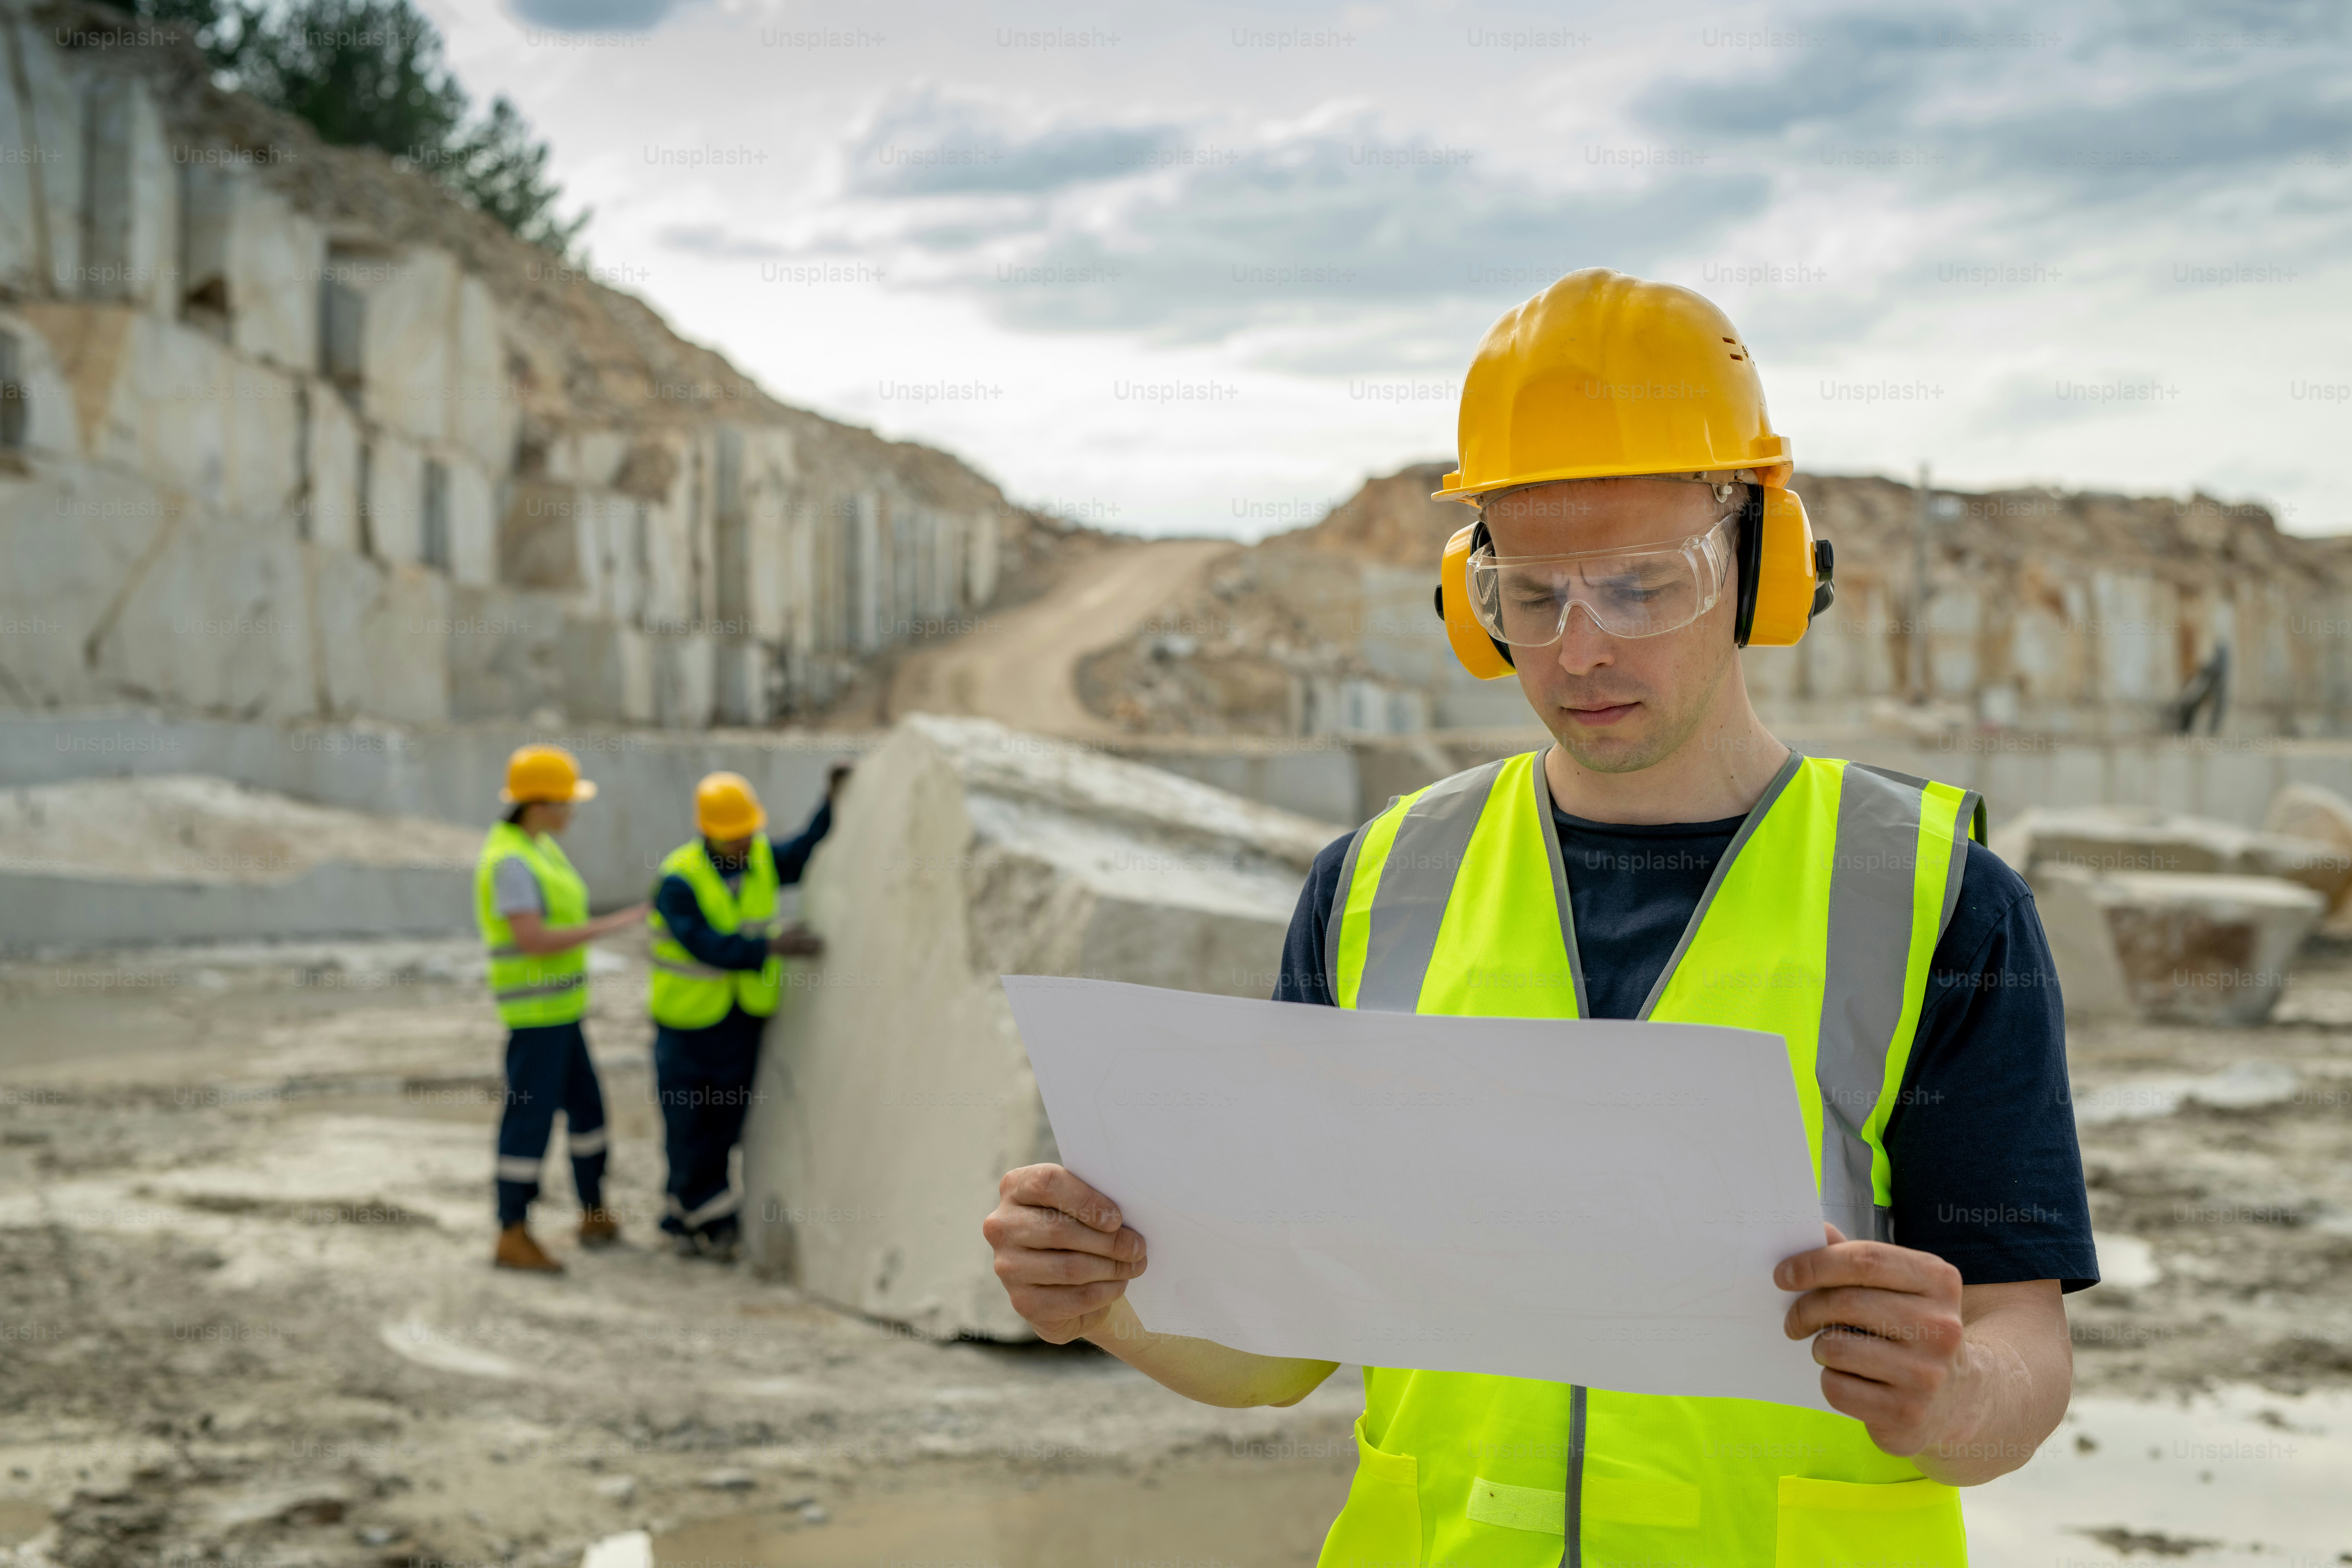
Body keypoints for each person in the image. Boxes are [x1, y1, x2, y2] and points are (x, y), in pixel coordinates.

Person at [981, 270, 2095, 1565]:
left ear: (1759, 568)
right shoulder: (1377, 890)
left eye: (1641, 586)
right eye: (1533, 594)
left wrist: (1947, 1393)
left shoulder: (1931, 902)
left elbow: (2022, 1346)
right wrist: (1108, 1298)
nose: (1578, 651)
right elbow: (1277, 1349)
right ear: (1472, 599)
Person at [646, 763, 849, 1259]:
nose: (742, 844)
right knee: (688, 1123)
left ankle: (691, 1214)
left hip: (739, 1021)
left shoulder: (760, 859)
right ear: (708, 832)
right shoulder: (679, 881)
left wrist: (832, 802)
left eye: (747, 834)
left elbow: (801, 854)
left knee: (726, 1121)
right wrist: (772, 947)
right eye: (732, 837)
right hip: (687, 1026)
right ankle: (695, 1216)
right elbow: (706, 944)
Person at [474, 744, 647, 1273]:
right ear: (538, 804)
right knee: (528, 1122)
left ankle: (594, 1210)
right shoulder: (511, 861)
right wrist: (613, 925)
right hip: (536, 1020)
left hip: (563, 1013)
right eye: (566, 803)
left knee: (589, 1113)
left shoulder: (540, 849)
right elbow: (533, 940)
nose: (572, 813)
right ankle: (512, 1231)